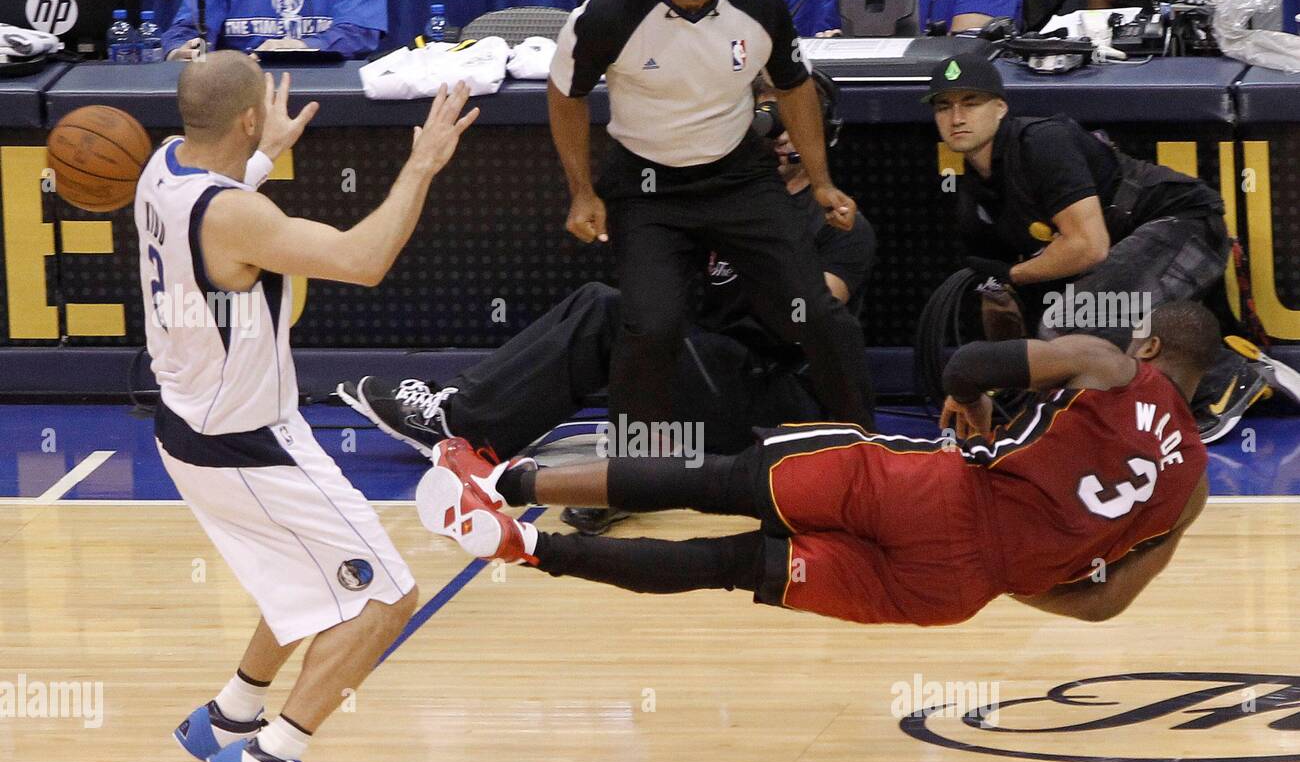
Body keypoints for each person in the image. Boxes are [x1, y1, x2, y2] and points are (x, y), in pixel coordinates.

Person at [139, 51, 478, 762]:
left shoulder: (158, 167)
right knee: (387, 598)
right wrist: (421, 164)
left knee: (308, 577)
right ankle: (273, 756)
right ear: (250, 117)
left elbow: (222, 205)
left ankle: (231, 712)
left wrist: (258, 158)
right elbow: (363, 260)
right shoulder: (232, 215)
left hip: (191, 427)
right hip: (247, 446)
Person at [417, 302, 1220, 627]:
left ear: (1148, 345)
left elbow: (968, 361)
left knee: (713, 477)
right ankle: (528, 549)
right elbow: (1104, 603)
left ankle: (499, 481)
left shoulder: (1108, 365)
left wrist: (972, 405)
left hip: (930, 494)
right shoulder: (1193, 492)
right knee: (724, 567)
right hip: (956, 591)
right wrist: (1008, 571)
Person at [337, 70, 876, 534]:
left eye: (772, 118)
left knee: (608, 311)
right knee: (616, 307)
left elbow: (802, 321)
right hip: (710, 383)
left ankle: (465, 423)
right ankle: (606, 464)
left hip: (778, 408)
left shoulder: (841, 226)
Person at [548, 0, 876, 451]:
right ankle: (630, 471)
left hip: (738, 175)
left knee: (814, 313)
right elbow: (564, 94)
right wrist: (582, 192)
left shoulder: (758, 2)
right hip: (647, 186)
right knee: (651, 325)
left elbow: (794, 86)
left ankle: (867, 450)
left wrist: (822, 182)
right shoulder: (609, 11)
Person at [925, 53, 1300, 442]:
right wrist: (995, 379)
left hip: (1185, 225)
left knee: (1076, 318)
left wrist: (1011, 273)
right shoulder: (975, 200)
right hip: (1131, 251)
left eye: (971, 103)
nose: (956, 117)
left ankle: (1228, 377)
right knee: (1058, 326)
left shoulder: (1041, 142)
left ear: (1000, 107)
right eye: (944, 106)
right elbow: (1004, 303)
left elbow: (1089, 248)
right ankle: (1219, 355)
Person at [163, 0, 387, 61]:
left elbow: (359, 33)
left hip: (324, 93)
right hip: (236, 95)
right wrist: (179, 50)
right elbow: (190, 29)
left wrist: (300, 47)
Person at [757, 0, 1024, 36]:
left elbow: (969, 48)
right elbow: (823, 42)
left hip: (950, 104)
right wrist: (834, 43)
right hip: (858, 109)